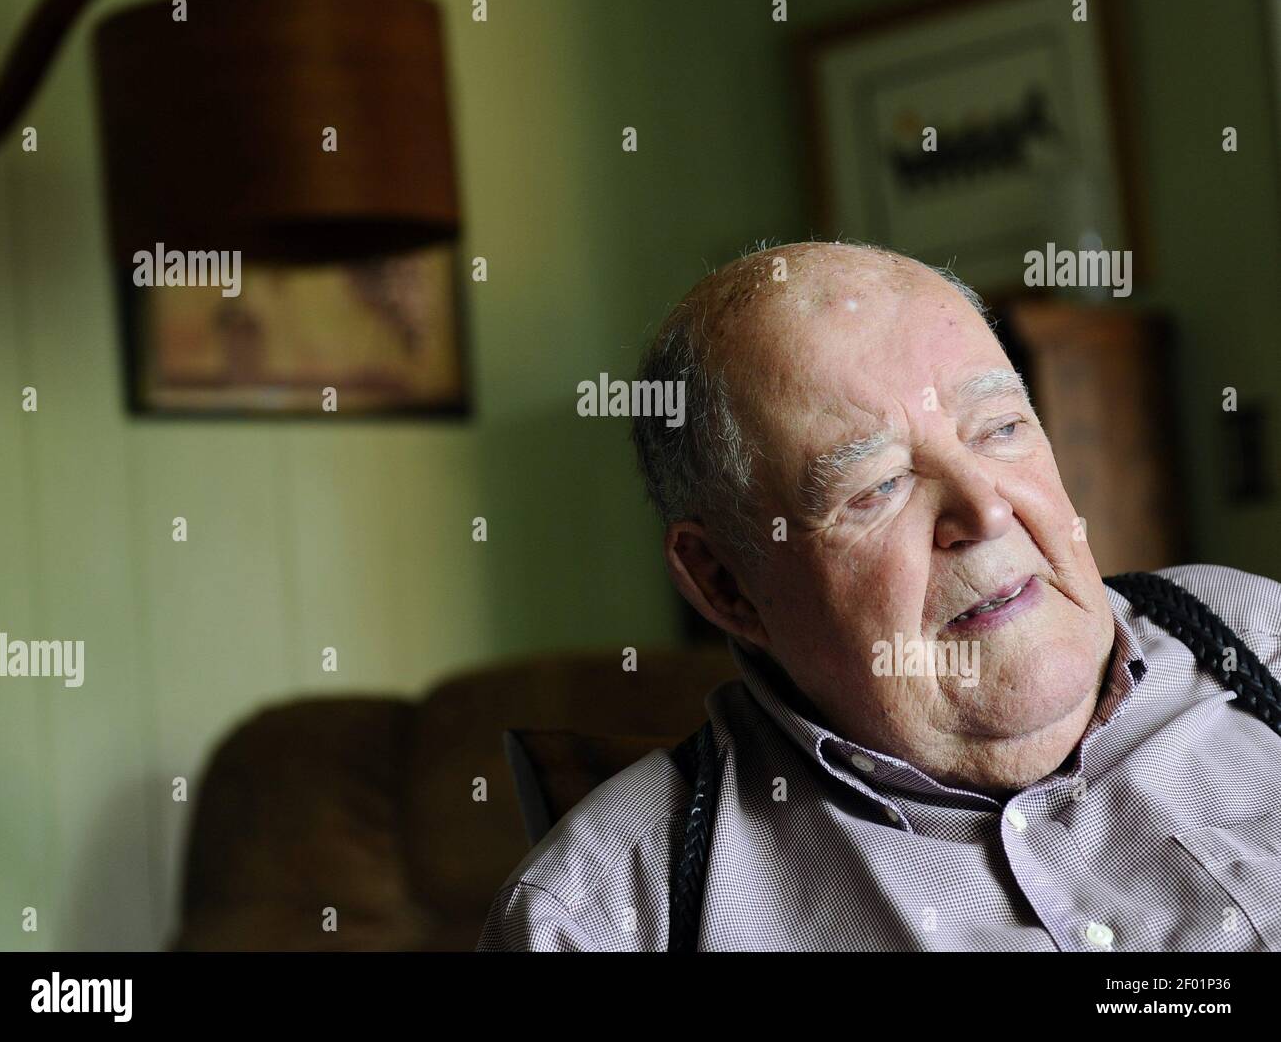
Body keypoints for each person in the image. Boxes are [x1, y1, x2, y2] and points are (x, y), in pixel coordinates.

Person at [477, 239, 1281, 951]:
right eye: (878, 486)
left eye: (1000, 427)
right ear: (725, 584)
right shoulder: (599, 919)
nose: (987, 508)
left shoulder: (1258, 639)